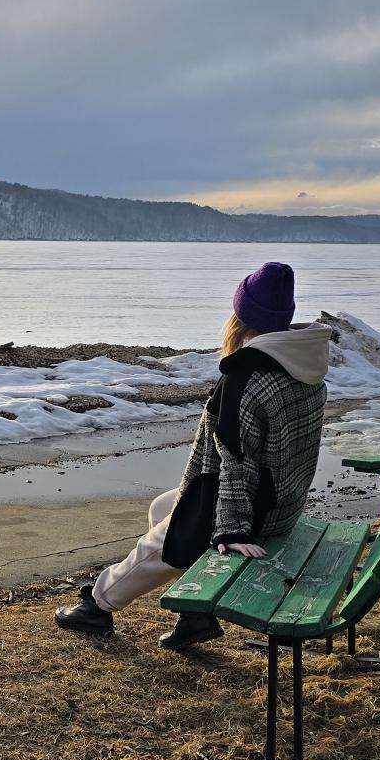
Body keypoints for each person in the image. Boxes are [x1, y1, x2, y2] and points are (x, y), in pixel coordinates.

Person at [54, 261, 330, 647]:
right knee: (163, 507)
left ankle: (97, 607)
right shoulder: (304, 364)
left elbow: (236, 462)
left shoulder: (246, 378)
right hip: (283, 502)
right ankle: (196, 617)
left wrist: (232, 530)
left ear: (242, 318)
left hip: (250, 513)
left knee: (162, 544)